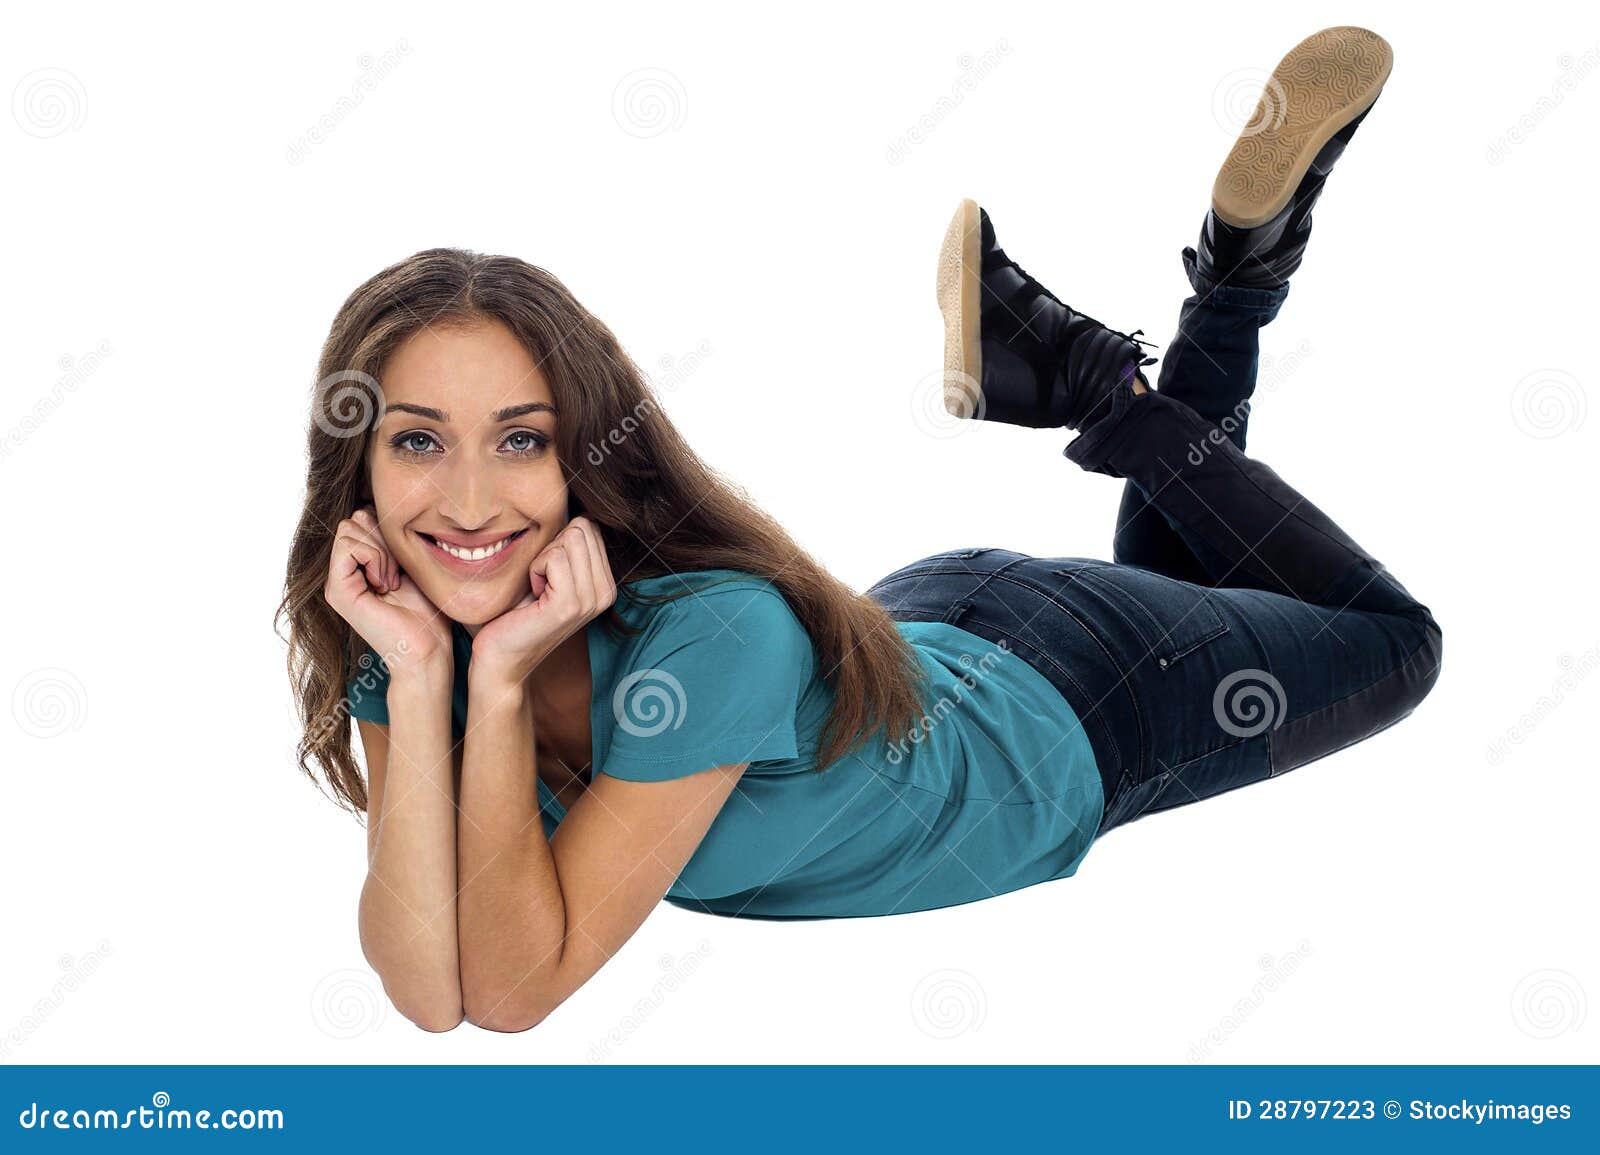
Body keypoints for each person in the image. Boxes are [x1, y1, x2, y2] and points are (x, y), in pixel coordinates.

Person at [278, 25, 1439, 1033]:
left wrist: (485, 695)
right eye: (419, 441)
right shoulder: (411, 640)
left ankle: (1097, 382)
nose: (471, 503)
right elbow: (437, 994)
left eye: (521, 439)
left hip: (1087, 699)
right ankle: (1230, 285)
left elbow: (518, 991)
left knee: (1393, 643)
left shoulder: (707, 640)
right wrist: (436, 678)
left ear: (583, 451)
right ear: (359, 465)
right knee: (1185, 567)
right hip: (937, 627)